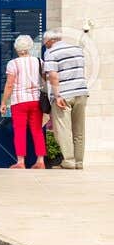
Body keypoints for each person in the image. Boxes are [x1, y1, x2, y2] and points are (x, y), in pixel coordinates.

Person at [43, 26, 91, 169]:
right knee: (79, 129)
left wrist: (57, 95)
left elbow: (53, 75)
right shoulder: (77, 50)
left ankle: (69, 161)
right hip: (81, 93)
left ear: (50, 41)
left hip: (63, 95)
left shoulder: (51, 52)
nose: (45, 45)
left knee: (63, 129)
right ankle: (79, 162)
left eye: (45, 42)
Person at [0, 34, 49, 170]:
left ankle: (21, 162)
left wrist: (4, 102)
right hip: (36, 100)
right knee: (37, 130)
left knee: (20, 131)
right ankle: (40, 161)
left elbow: (9, 84)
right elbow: (45, 80)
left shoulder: (13, 63)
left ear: (16, 48)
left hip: (19, 101)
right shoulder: (39, 62)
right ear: (30, 47)